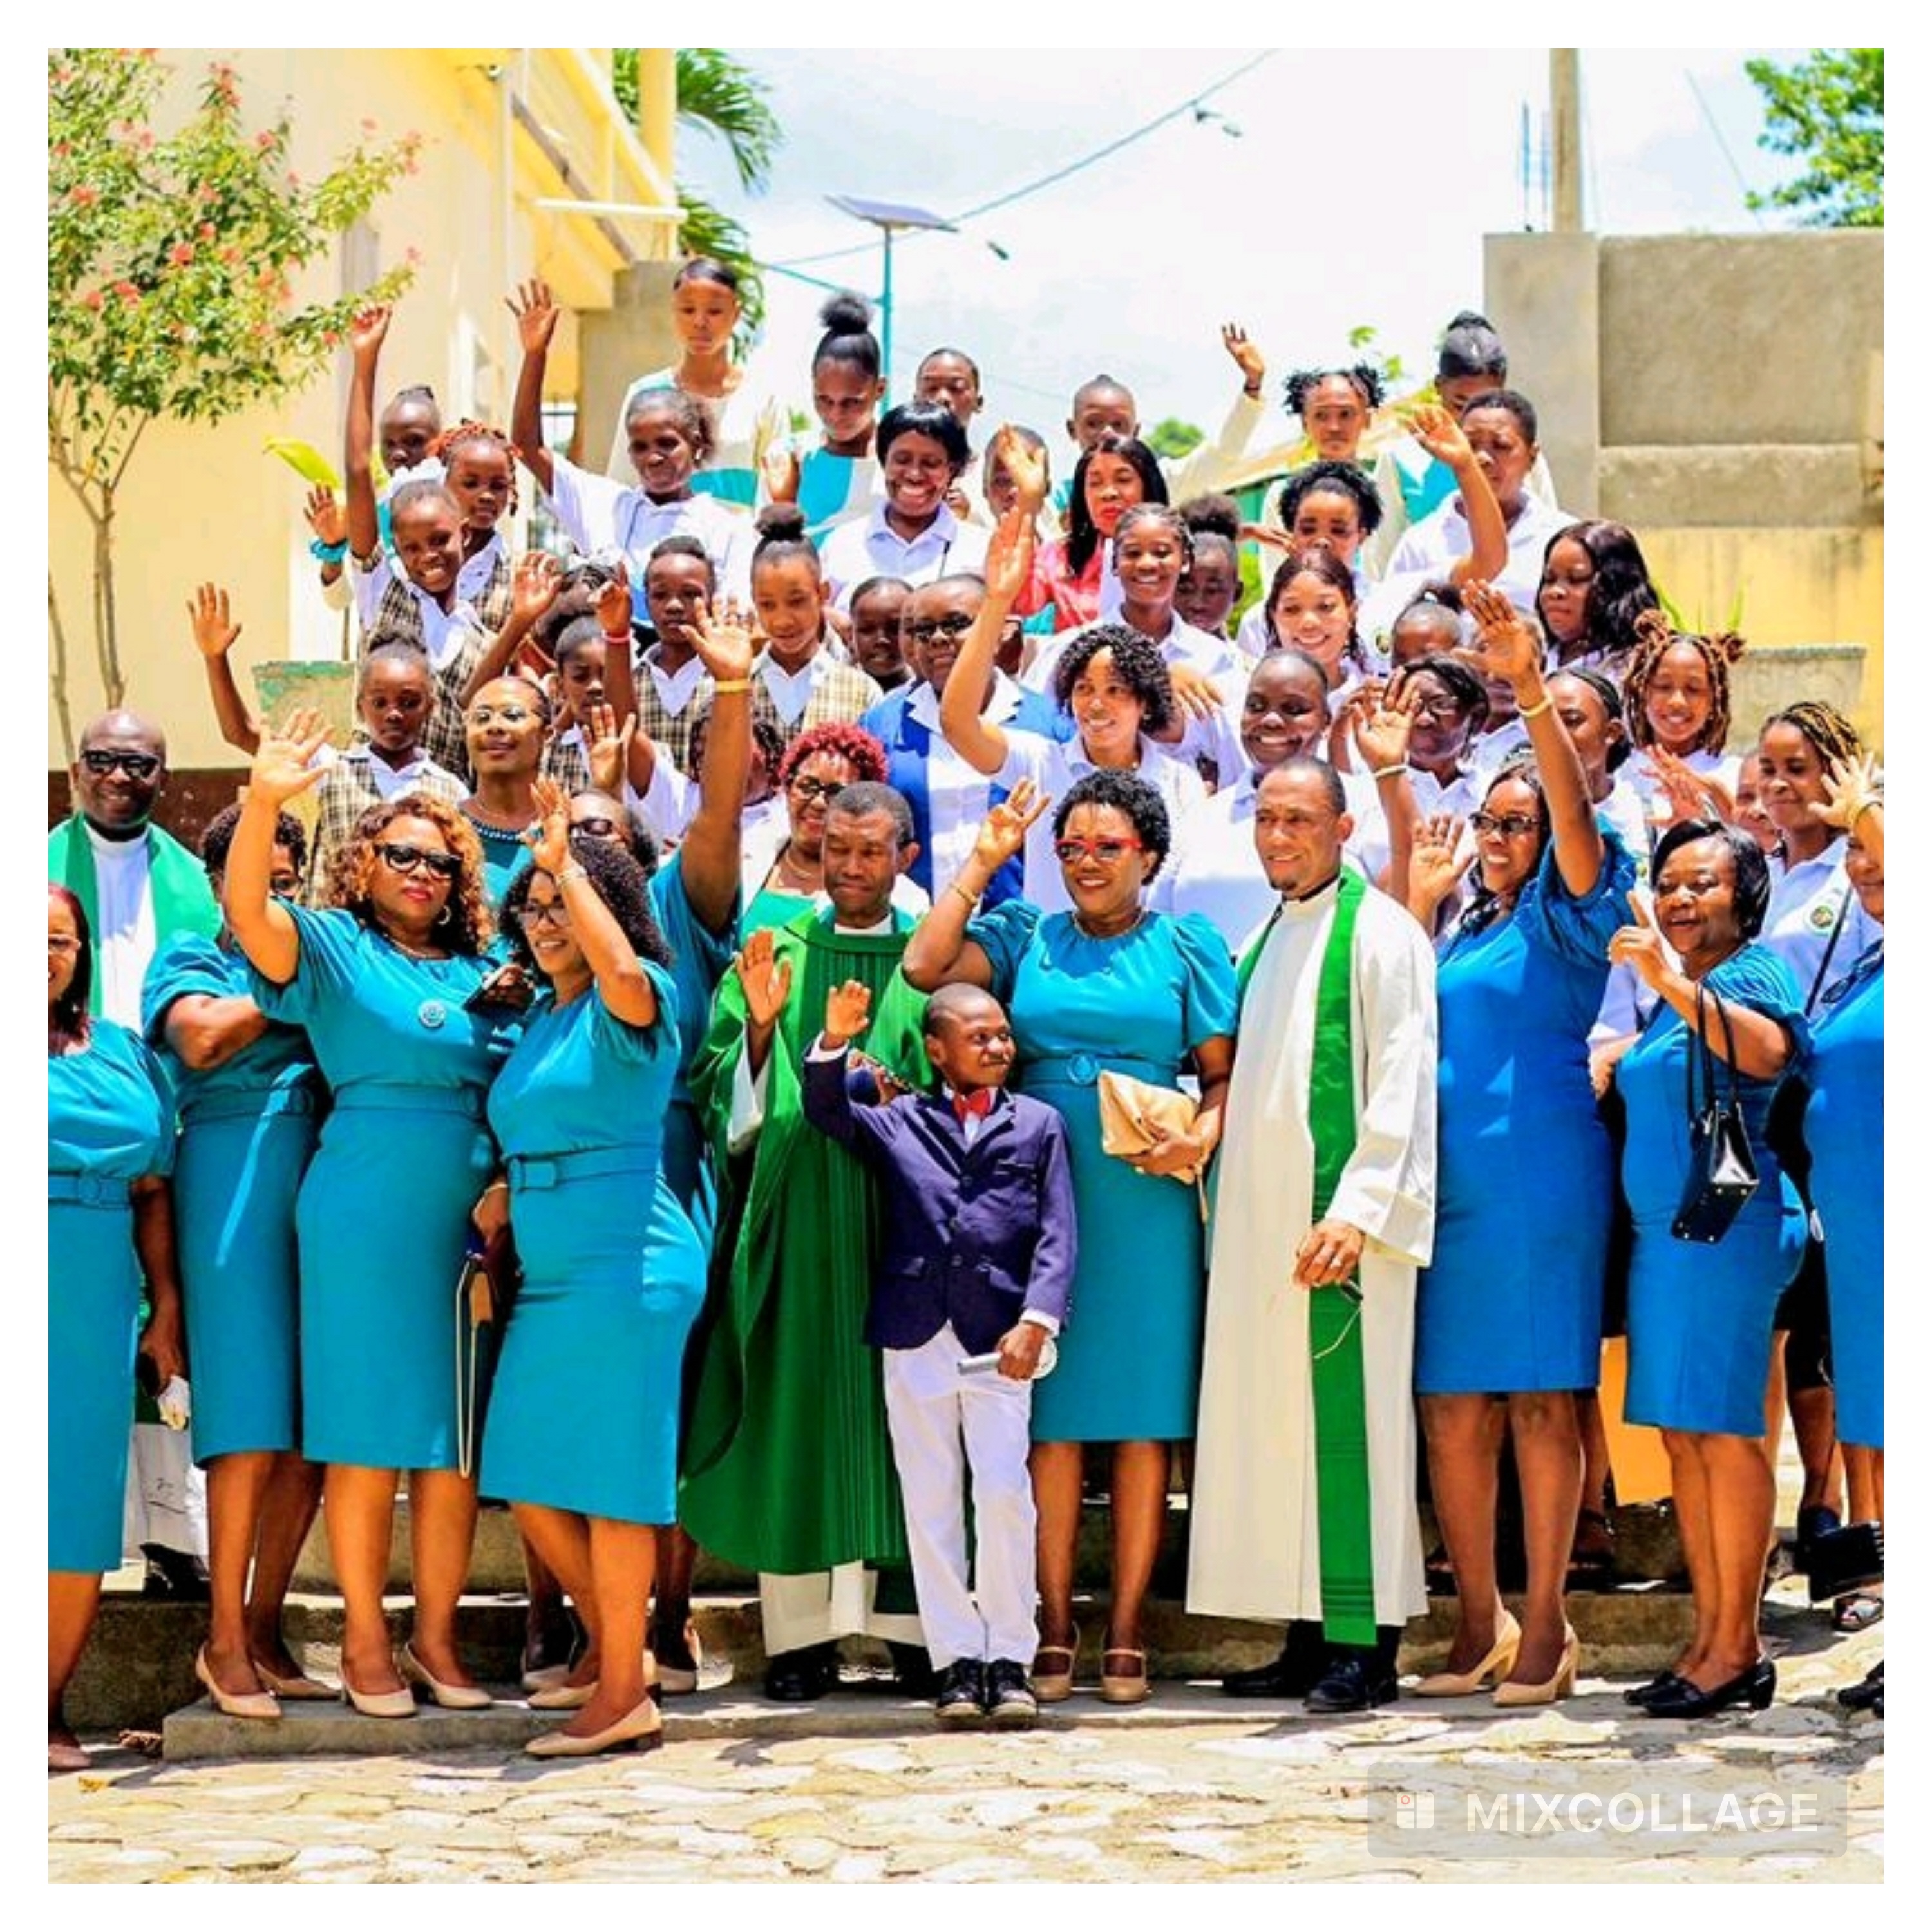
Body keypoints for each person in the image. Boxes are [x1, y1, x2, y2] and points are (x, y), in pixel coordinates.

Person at [904, 771, 1238, 1707]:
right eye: (1072, 848)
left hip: (1145, 1193)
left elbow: (1222, 1075)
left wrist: (1199, 1138)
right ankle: (1050, 1618)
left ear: (1151, 858)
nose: (1087, 862)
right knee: (1044, 1417)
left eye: (1108, 847)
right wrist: (985, 860)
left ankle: (1126, 1623)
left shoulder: (1187, 943)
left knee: (1139, 1420)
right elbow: (926, 969)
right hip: (1031, 1190)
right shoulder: (1028, 937)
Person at [224, 714, 513, 1718]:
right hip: (361, 1213)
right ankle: (361, 1640)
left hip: (468, 1228)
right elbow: (254, 917)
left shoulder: (484, 969)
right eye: (400, 856)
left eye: (439, 862)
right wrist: (266, 800)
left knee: (450, 1444)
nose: (421, 874)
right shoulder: (337, 948)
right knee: (364, 1436)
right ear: (365, 864)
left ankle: (435, 1641)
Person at [1398, 583, 1636, 1707]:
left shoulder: (1569, 905)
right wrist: (1424, 887)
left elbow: (1579, 824)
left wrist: (1531, 689)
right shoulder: (1467, 917)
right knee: (1450, 1405)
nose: (1496, 840)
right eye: (1488, 822)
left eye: (1515, 824)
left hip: (1541, 1180)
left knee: (1543, 1399)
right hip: (1451, 1189)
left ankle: (1548, 1624)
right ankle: (1479, 1621)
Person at [1189, 759, 1439, 1713]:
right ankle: (1306, 1632)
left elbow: (1404, 1079)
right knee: (1285, 1431)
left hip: (1342, 1231)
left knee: (1350, 1432)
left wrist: (1359, 1209)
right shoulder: (1264, 937)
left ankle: (1364, 1648)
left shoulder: (1381, 934)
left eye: (1299, 820)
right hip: (1266, 1226)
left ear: (1343, 829)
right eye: (1266, 820)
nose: (1278, 837)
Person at [681, 782, 935, 1701]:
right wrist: (756, 1026)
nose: (853, 868)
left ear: (906, 857)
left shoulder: (929, 956)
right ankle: (798, 1643)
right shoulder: (772, 948)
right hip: (795, 1213)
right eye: (837, 850)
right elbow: (724, 1092)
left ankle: (912, 1632)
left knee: (902, 1422)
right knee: (799, 1415)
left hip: (900, 1223)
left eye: (872, 852)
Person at [479, 782, 703, 1757]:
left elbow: (620, 978)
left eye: (562, 904)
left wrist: (569, 865)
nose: (545, 921)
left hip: (628, 1264)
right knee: (525, 1471)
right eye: (529, 906)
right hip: (558, 1272)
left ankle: (620, 1690)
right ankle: (620, 1654)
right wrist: (503, 1195)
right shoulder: (540, 1018)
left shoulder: (637, 998)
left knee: (615, 1485)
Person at [802, 979, 1077, 1727]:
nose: (996, 1047)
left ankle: (1010, 1656)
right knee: (929, 1500)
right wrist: (832, 1041)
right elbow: (826, 1109)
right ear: (936, 1047)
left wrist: (1039, 1319)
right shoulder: (901, 1121)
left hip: (1000, 1337)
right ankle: (958, 1659)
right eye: (978, 1036)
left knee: (1002, 1494)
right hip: (915, 1327)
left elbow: (1058, 1233)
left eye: (1002, 1035)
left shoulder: (1039, 1124)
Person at [1609, 820, 1806, 1718]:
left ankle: (1739, 1647)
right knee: (1687, 1439)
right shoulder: (1673, 991)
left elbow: (1764, 1053)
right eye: (1672, 885)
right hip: (1674, 1241)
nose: (1683, 900)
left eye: (1704, 885)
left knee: (1727, 1437)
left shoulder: (1747, 972)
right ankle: (1706, 1637)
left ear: (1744, 899)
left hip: (1728, 1233)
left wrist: (1670, 983)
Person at [142, 808, 329, 1716]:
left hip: (321, 1181)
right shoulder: (191, 956)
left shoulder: (314, 950)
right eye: (261, 878)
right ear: (224, 880)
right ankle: (219, 1639)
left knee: (308, 1431)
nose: (275, 895)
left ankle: (262, 1624)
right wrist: (293, 985)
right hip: (225, 1175)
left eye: (289, 883)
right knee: (246, 1421)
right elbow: (202, 1040)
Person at [48, 708, 218, 1596]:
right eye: (103, 760)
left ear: (165, 776)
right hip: (61, 1126)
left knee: (169, 1333)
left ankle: (170, 1532)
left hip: (161, 1128)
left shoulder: (192, 882)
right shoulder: (36, 864)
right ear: (75, 769)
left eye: (140, 763)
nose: (120, 775)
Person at [48, 884, 184, 1772]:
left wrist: (167, 1307)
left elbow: (154, 1188)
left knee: (75, 1502)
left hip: (96, 1291)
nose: (40, 954)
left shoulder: (125, 1052)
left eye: (57, 939)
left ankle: (41, 1703)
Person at [940, 511, 1206, 914]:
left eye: (1116, 690)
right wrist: (997, 601)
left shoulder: (1181, 785)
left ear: (1145, 702)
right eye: (1084, 689)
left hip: (1142, 966)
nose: (1096, 704)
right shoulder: (1041, 763)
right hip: (1054, 965)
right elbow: (958, 724)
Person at [187, 587, 471, 900]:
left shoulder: (451, 791)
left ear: (429, 707)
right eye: (380, 702)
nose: (393, 714)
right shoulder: (332, 768)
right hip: (337, 938)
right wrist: (215, 659)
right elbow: (240, 733)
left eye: (408, 702)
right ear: (361, 706)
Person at [1801, 759, 1884, 1716]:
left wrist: (1865, 809)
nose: (1862, 869)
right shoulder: (1871, 957)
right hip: (1860, 1234)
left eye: (1871, 852)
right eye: (1855, 856)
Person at [510, 278, 752, 609]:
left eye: (667, 444)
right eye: (640, 447)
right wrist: (535, 354)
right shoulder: (605, 506)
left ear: (697, 444)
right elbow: (527, 447)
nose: (653, 458)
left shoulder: (725, 531)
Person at [861, 573, 1068, 908]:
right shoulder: (882, 723)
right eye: (924, 630)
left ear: (1001, 631)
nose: (938, 639)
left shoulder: (1048, 723)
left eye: (955, 623)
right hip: (915, 931)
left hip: (1018, 932)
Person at [1366, 310, 1561, 576]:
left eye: (1486, 401)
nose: (1473, 415)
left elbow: (1548, 538)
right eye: (1461, 404)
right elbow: (1381, 557)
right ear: (1439, 387)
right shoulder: (1401, 459)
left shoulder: (1520, 456)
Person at [604, 255, 782, 508]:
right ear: (674, 312)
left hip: (738, 546)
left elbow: (779, 493)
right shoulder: (645, 394)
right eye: (688, 310)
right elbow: (620, 488)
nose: (700, 322)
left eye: (714, 311)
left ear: (735, 314)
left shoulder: (763, 400)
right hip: (662, 546)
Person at [1387, 392, 1568, 620]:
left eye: (1501, 446)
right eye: (1470, 445)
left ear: (1532, 457)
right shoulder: (1420, 542)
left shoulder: (1564, 538)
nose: (1482, 458)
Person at [737, 721, 925, 935]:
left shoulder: (905, 899)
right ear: (787, 789)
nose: (818, 802)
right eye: (807, 786)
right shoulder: (744, 862)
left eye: (836, 792)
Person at [761, 293, 887, 542]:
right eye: (824, 400)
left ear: (879, 390)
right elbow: (769, 553)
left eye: (851, 402)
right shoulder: (790, 457)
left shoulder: (900, 460)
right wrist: (784, 504)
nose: (835, 415)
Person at [1015, 433, 1166, 632]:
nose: (1109, 493)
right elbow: (1020, 603)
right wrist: (1026, 505)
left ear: (1148, 486)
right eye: (1095, 483)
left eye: (1123, 480)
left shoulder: (1177, 554)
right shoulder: (1060, 556)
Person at [1620, 611, 1745, 832]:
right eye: (1663, 687)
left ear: (1713, 702)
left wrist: (1713, 792)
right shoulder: (1620, 773)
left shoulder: (1735, 775)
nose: (1677, 701)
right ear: (1643, 693)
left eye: (1694, 689)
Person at [1536, 520, 1662, 677]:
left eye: (1576, 579)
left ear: (1615, 586)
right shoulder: (1538, 660)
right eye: (1549, 579)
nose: (1555, 592)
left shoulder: (1635, 670)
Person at [848, 576, 913, 692]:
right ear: (851, 634)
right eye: (867, 629)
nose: (882, 640)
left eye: (895, 628)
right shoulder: (833, 691)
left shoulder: (934, 694)